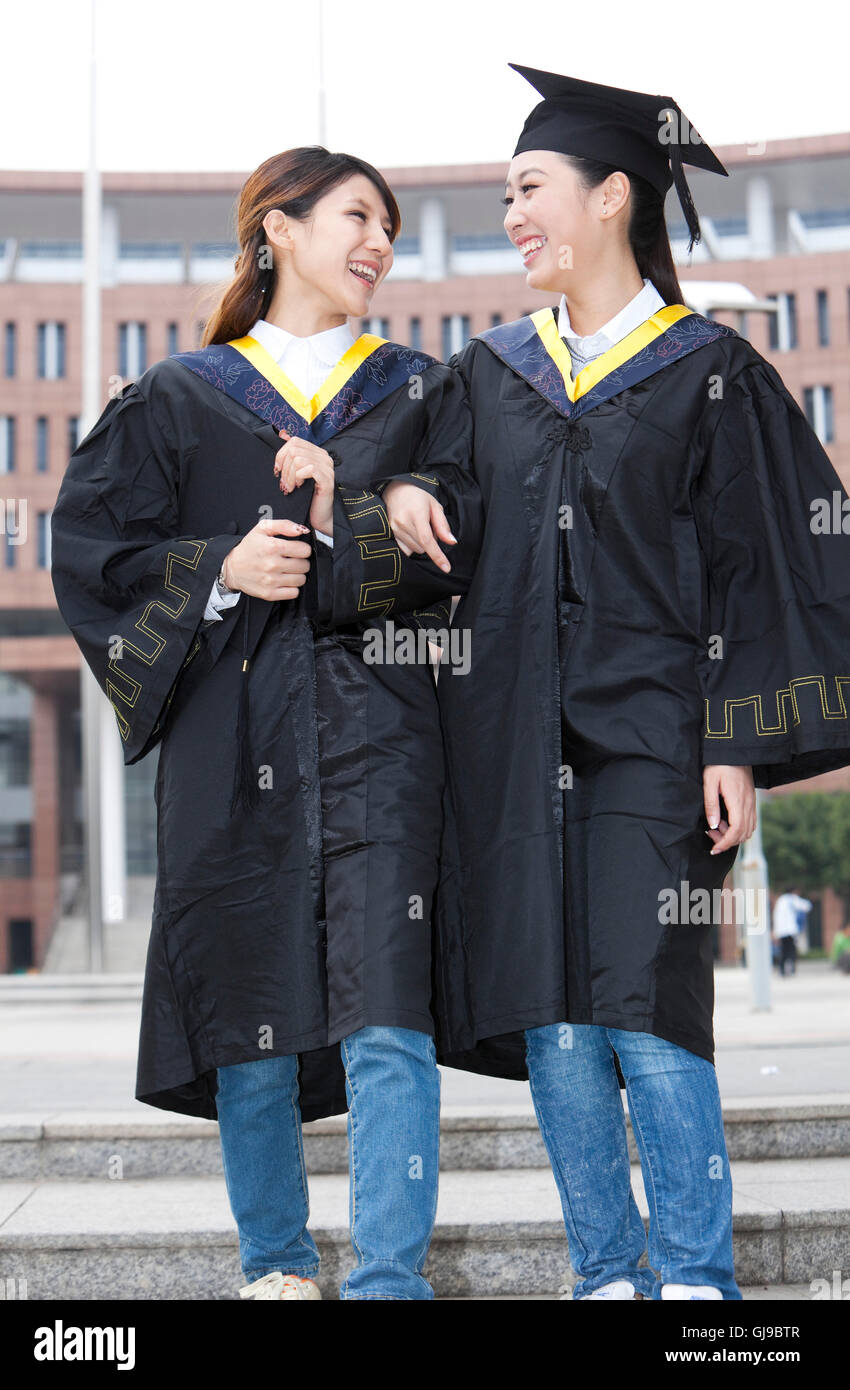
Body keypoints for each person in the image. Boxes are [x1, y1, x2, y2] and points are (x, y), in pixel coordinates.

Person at [383, 65, 850, 1300]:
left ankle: (693, 1276)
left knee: (645, 1002)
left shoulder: (710, 371)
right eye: (503, 192)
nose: (511, 213)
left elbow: (765, 568)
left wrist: (736, 739)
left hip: (653, 736)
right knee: (551, 1014)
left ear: (611, 197)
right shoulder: (485, 374)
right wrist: (409, 488)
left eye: (528, 188)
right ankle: (604, 1273)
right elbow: (440, 492)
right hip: (511, 739)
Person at [50, 146, 482, 1301]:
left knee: (389, 1013)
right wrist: (219, 568)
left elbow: (465, 550)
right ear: (277, 230)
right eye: (356, 216)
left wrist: (358, 502)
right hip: (227, 743)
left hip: (383, 732)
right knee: (253, 1015)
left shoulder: (418, 392)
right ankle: (278, 1265)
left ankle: (389, 1276)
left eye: (388, 226)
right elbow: (93, 556)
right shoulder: (180, 397)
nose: (378, 243)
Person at [772, 889, 813, 976]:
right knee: (791, 951)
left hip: (781, 932)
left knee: (783, 951)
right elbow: (807, 906)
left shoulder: (780, 901)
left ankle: (782, 970)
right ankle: (792, 970)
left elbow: (776, 918)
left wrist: (776, 933)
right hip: (790, 931)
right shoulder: (791, 899)